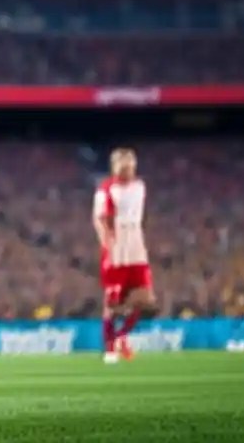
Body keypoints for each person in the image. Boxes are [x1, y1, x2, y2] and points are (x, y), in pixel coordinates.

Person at [93, 147, 156, 364]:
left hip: (136, 244)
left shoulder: (140, 186)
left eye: (131, 167)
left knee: (146, 298)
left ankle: (121, 336)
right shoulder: (106, 190)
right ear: (116, 168)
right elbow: (100, 219)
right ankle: (110, 347)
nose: (128, 172)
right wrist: (107, 245)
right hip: (117, 245)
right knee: (112, 303)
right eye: (124, 168)